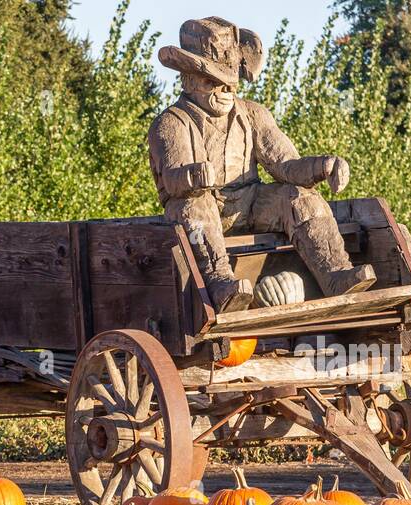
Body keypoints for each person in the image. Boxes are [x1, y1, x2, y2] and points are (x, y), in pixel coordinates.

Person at [148, 17, 376, 312]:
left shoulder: (253, 115)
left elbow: (286, 164)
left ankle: (336, 275)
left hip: (249, 203)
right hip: (202, 209)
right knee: (194, 206)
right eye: (212, 82)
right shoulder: (171, 122)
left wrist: (323, 166)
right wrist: (194, 176)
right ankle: (220, 284)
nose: (224, 91)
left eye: (230, 84)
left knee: (299, 196)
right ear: (188, 79)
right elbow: (172, 181)